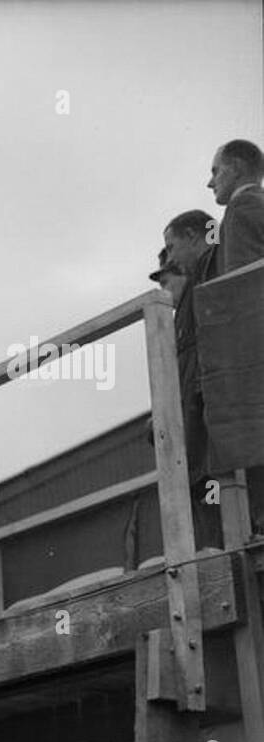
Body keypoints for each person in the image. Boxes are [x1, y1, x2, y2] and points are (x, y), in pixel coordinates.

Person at [163, 209, 221, 550]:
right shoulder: (188, 300)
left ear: (191, 237)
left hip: (208, 430)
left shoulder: (210, 277)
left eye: (171, 248)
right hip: (195, 432)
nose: (171, 257)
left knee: (218, 511)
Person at [207, 139, 264, 276]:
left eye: (215, 172)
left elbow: (242, 284)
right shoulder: (255, 203)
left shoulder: (241, 206)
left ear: (236, 168)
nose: (210, 183)